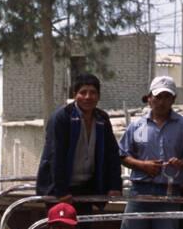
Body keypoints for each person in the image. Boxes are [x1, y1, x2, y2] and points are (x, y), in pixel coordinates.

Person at [111, 76, 183, 229]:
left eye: (167, 97)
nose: (162, 102)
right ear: (149, 98)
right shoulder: (136, 125)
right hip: (139, 192)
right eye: (158, 97)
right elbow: (121, 154)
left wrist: (180, 163)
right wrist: (142, 165)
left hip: (169, 193)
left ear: (173, 100)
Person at [35, 74, 123, 206]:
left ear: (98, 96)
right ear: (75, 95)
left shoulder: (102, 119)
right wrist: (61, 191)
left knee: (84, 226)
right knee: (61, 227)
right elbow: (55, 156)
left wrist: (115, 185)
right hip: (62, 191)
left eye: (93, 93)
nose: (88, 97)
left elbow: (112, 154)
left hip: (87, 189)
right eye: (83, 93)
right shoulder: (62, 117)